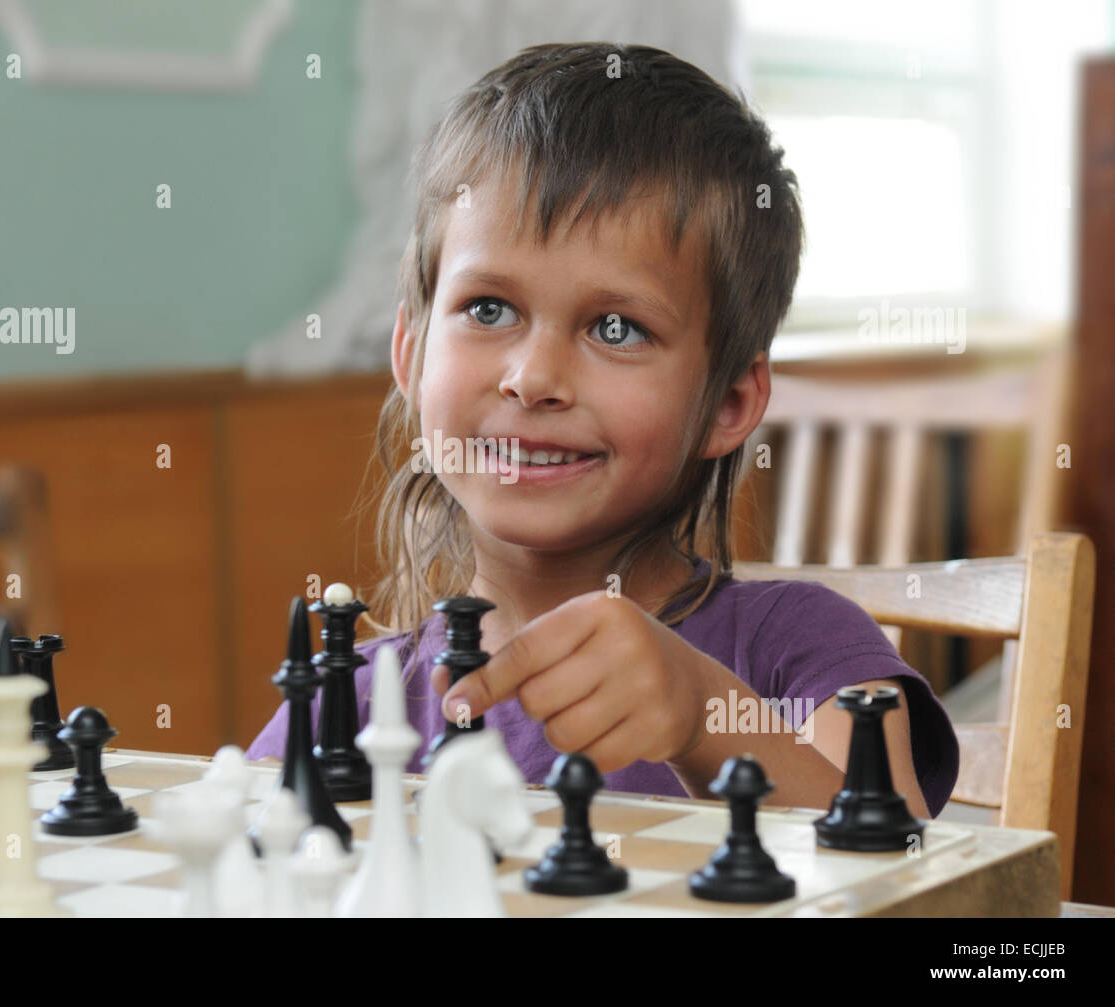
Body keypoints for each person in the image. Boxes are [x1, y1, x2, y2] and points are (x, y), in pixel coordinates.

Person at [249, 42, 958, 816]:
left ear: (728, 403)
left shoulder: (801, 644)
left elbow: (911, 880)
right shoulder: (346, 701)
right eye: (488, 308)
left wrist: (701, 713)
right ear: (411, 356)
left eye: (616, 327)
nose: (533, 377)